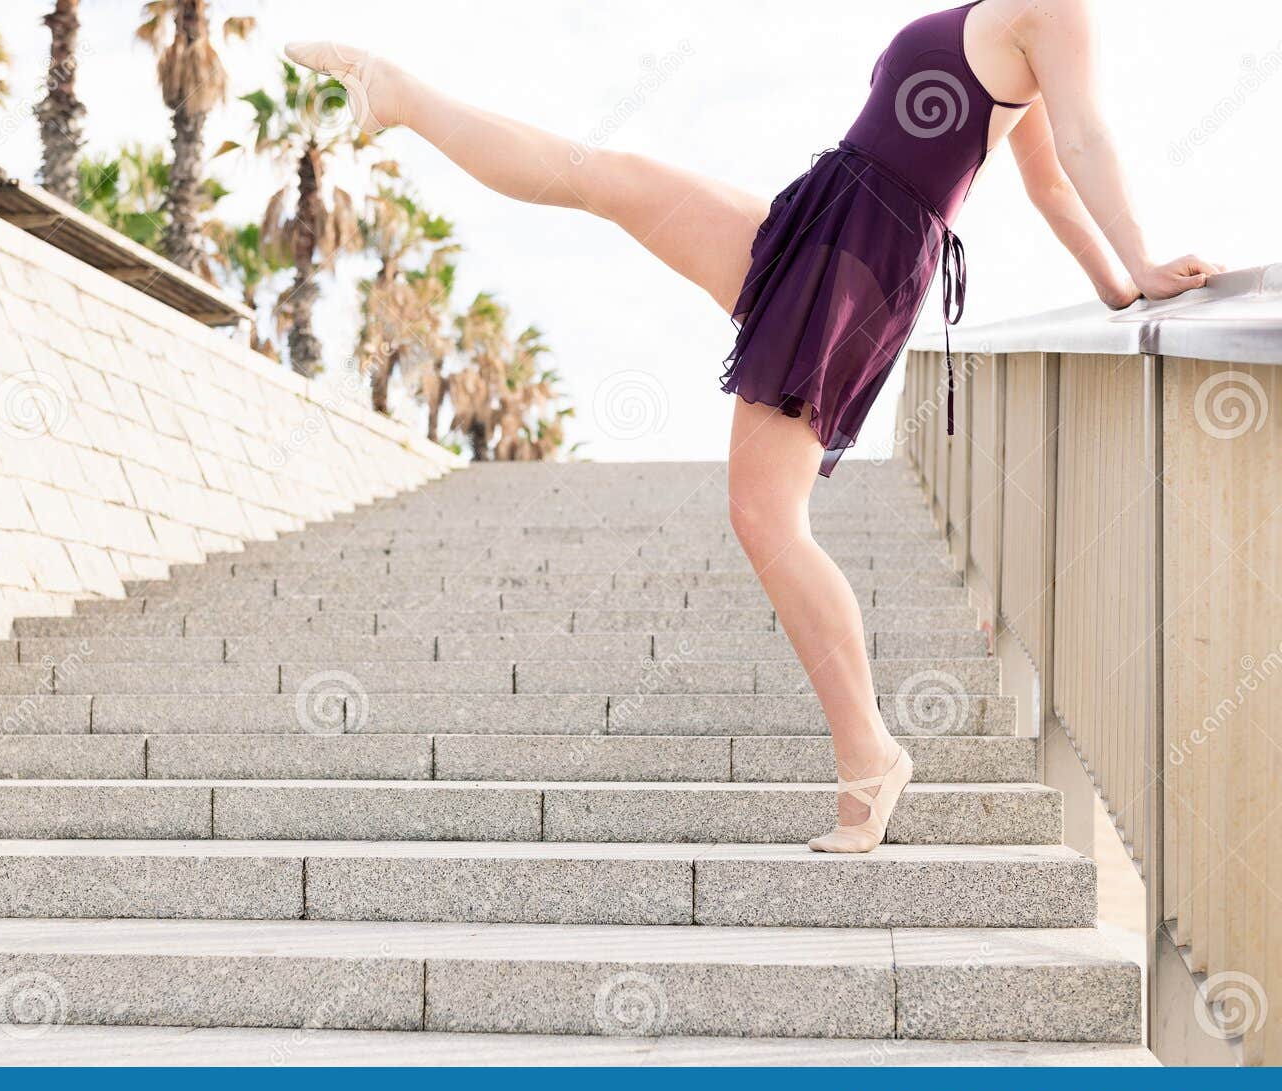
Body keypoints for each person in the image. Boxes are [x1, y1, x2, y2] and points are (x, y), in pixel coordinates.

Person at [286, 0, 1221, 853]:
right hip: (828, 213)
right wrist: (1115, 284)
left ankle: (871, 761)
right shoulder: (1003, 12)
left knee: (768, 519)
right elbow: (1047, 183)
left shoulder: (1057, 9)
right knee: (604, 175)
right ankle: (397, 91)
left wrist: (1140, 259)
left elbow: (1087, 141)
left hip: (862, 254)